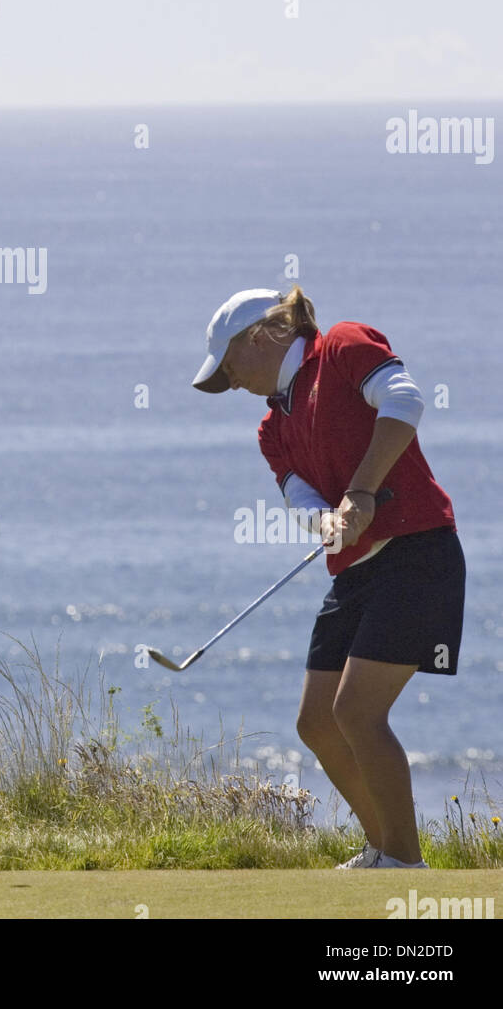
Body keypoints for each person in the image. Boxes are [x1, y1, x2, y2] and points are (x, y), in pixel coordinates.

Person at [192, 286, 465, 869]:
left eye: (230, 366)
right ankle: (383, 848)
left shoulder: (341, 345)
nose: (231, 382)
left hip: (417, 554)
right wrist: (326, 521)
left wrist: (361, 491)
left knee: (358, 712)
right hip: (356, 571)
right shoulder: (271, 428)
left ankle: (405, 864)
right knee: (317, 721)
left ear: (260, 336)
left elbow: (404, 401)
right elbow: (298, 493)